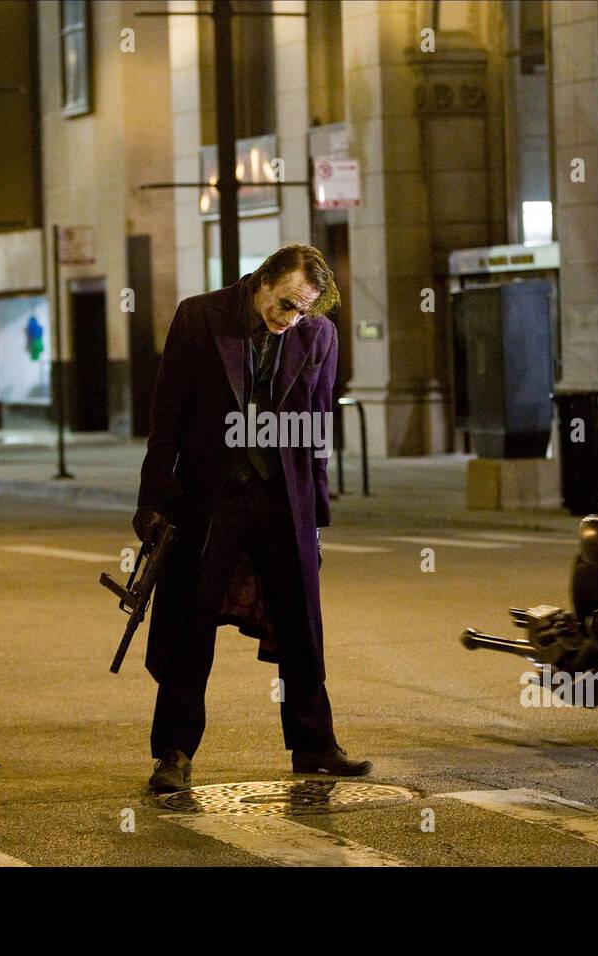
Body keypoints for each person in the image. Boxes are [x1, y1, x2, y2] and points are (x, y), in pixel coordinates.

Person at [132, 244, 372, 794]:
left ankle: (314, 745)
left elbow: (316, 428)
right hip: (208, 497)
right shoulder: (199, 316)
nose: (290, 320)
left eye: (302, 312)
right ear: (264, 280)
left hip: (281, 499)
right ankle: (173, 752)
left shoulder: (319, 336)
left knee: (301, 627)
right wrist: (154, 497)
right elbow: (165, 413)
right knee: (190, 626)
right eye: (285, 304)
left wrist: (316, 518)